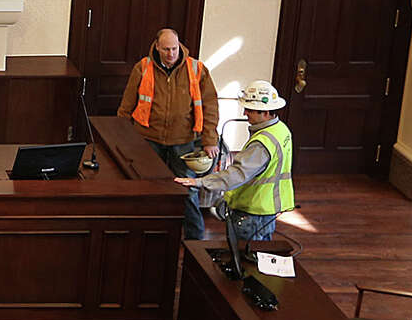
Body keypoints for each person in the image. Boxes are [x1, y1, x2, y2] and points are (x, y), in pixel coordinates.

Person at [174, 79, 296, 267]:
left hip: (252, 211)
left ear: (264, 112)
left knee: (245, 262)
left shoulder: (262, 143)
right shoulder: (281, 130)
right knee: (260, 258)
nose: (245, 113)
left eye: (249, 109)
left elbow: (236, 175)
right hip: (267, 209)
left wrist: (199, 182)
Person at [117, 27, 220, 239]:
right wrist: (121, 136)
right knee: (146, 189)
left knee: (187, 190)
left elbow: (210, 106)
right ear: (157, 47)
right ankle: (146, 234)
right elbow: (127, 105)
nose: (171, 53)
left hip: (183, 142)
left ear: (180, 46)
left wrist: (210, 140)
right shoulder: (143, 68)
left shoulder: (196, 69)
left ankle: (195, 240)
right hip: (147, 139)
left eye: (174, 48)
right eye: (166, 49)